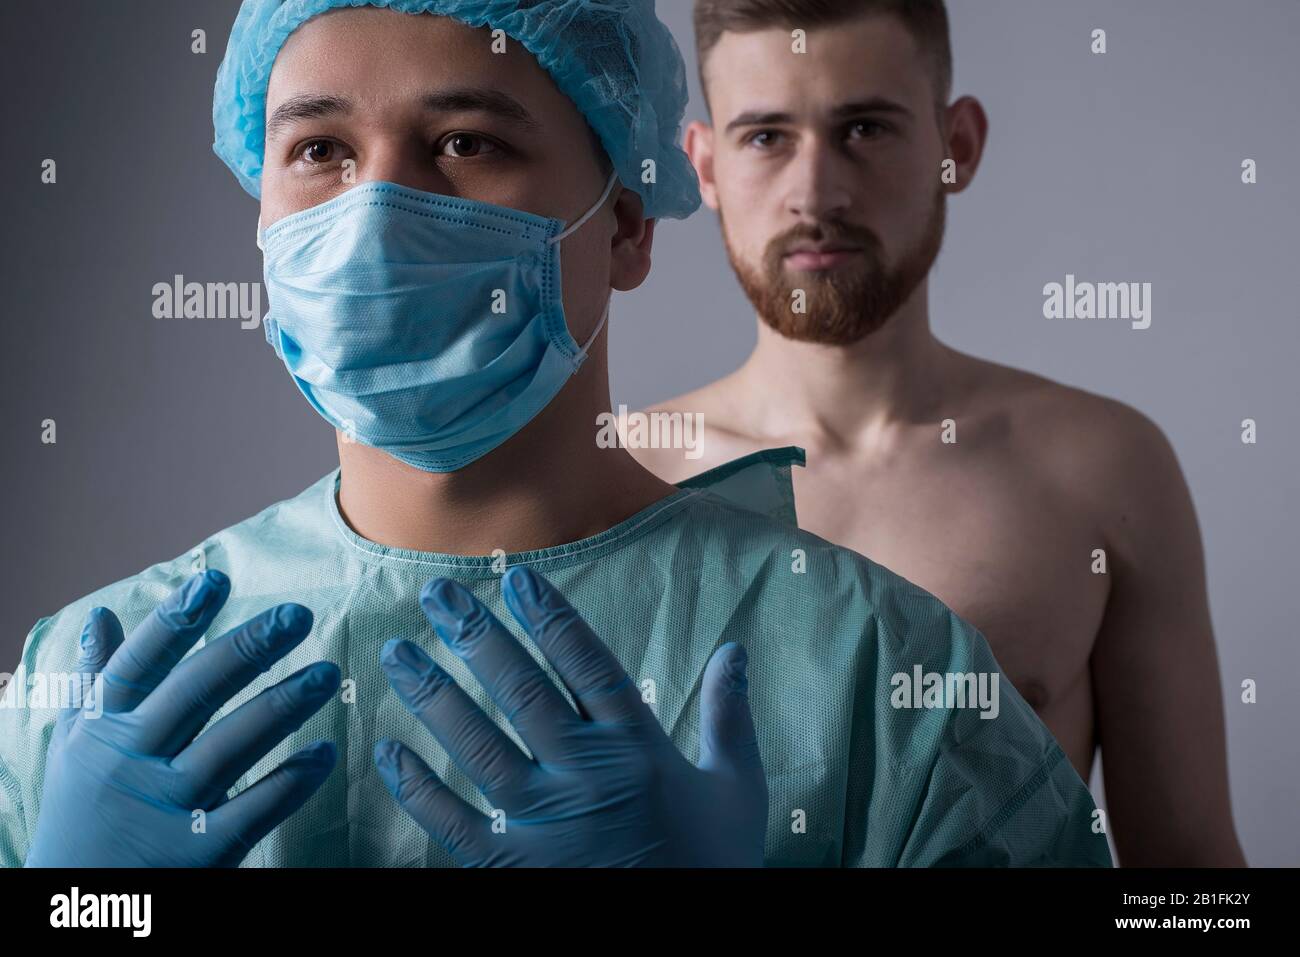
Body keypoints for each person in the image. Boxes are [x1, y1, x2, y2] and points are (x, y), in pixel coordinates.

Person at [0, 0, 1111, 867]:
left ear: (624, 223)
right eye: (320, 153)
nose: (376, 212)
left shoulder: (875, 673)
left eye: (467, 143)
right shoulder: (96, 682)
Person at [630, 0, 1243, 865]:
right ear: (705, 166)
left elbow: (1194, 885)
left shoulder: (1105, 472)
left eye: (866, 128)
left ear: (956, 146)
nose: (816, 193)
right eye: (766, 136)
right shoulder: (618, 479)